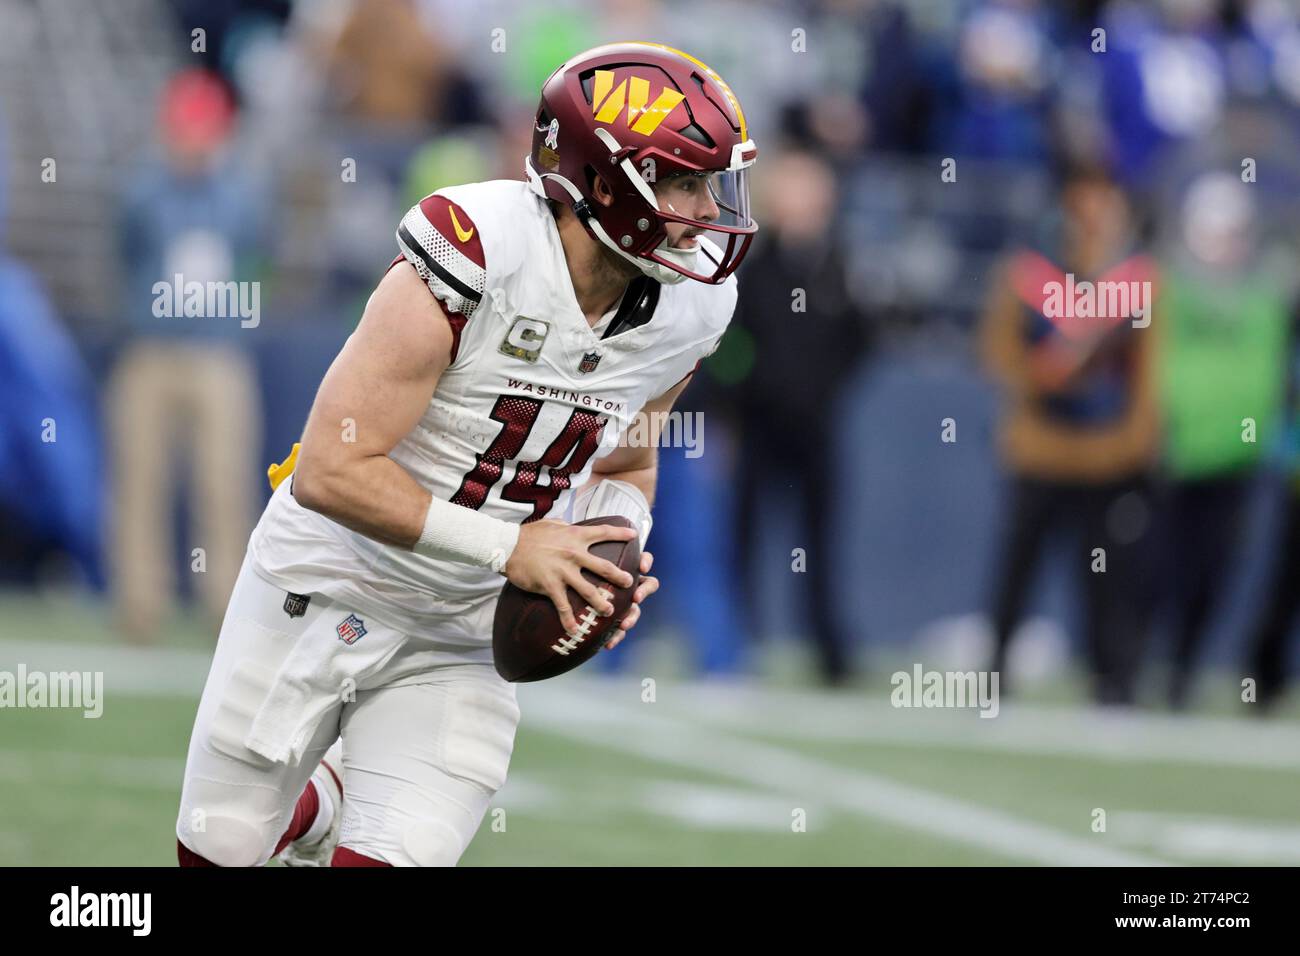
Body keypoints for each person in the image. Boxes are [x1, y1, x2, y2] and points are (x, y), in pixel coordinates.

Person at [175, 42, 758, 867]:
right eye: (684, 182)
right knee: (219, 851)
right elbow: (329, 472)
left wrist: (609, 556)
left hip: (465, 625)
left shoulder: (693, 302)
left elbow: (627, 462)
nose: (706, 212)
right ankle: (310, 808)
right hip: (331, 574)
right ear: (602, 181)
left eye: (712, 183)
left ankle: (335, 802)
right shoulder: (475, 250)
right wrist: (516, 546)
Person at [980, 164, 1158, 705]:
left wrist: (1132, 440)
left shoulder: (1140, 283)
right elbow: (999, 353)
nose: (1095, 217)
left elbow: (1151, 371)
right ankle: (993, 681)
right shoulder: (1028, 274)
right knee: (1015, 574)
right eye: (1085, 203)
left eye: (1106, 204)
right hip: (1041, 450)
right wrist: (1044, 375)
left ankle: (1113, 688)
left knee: (1108, 581)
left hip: (1106, 456)